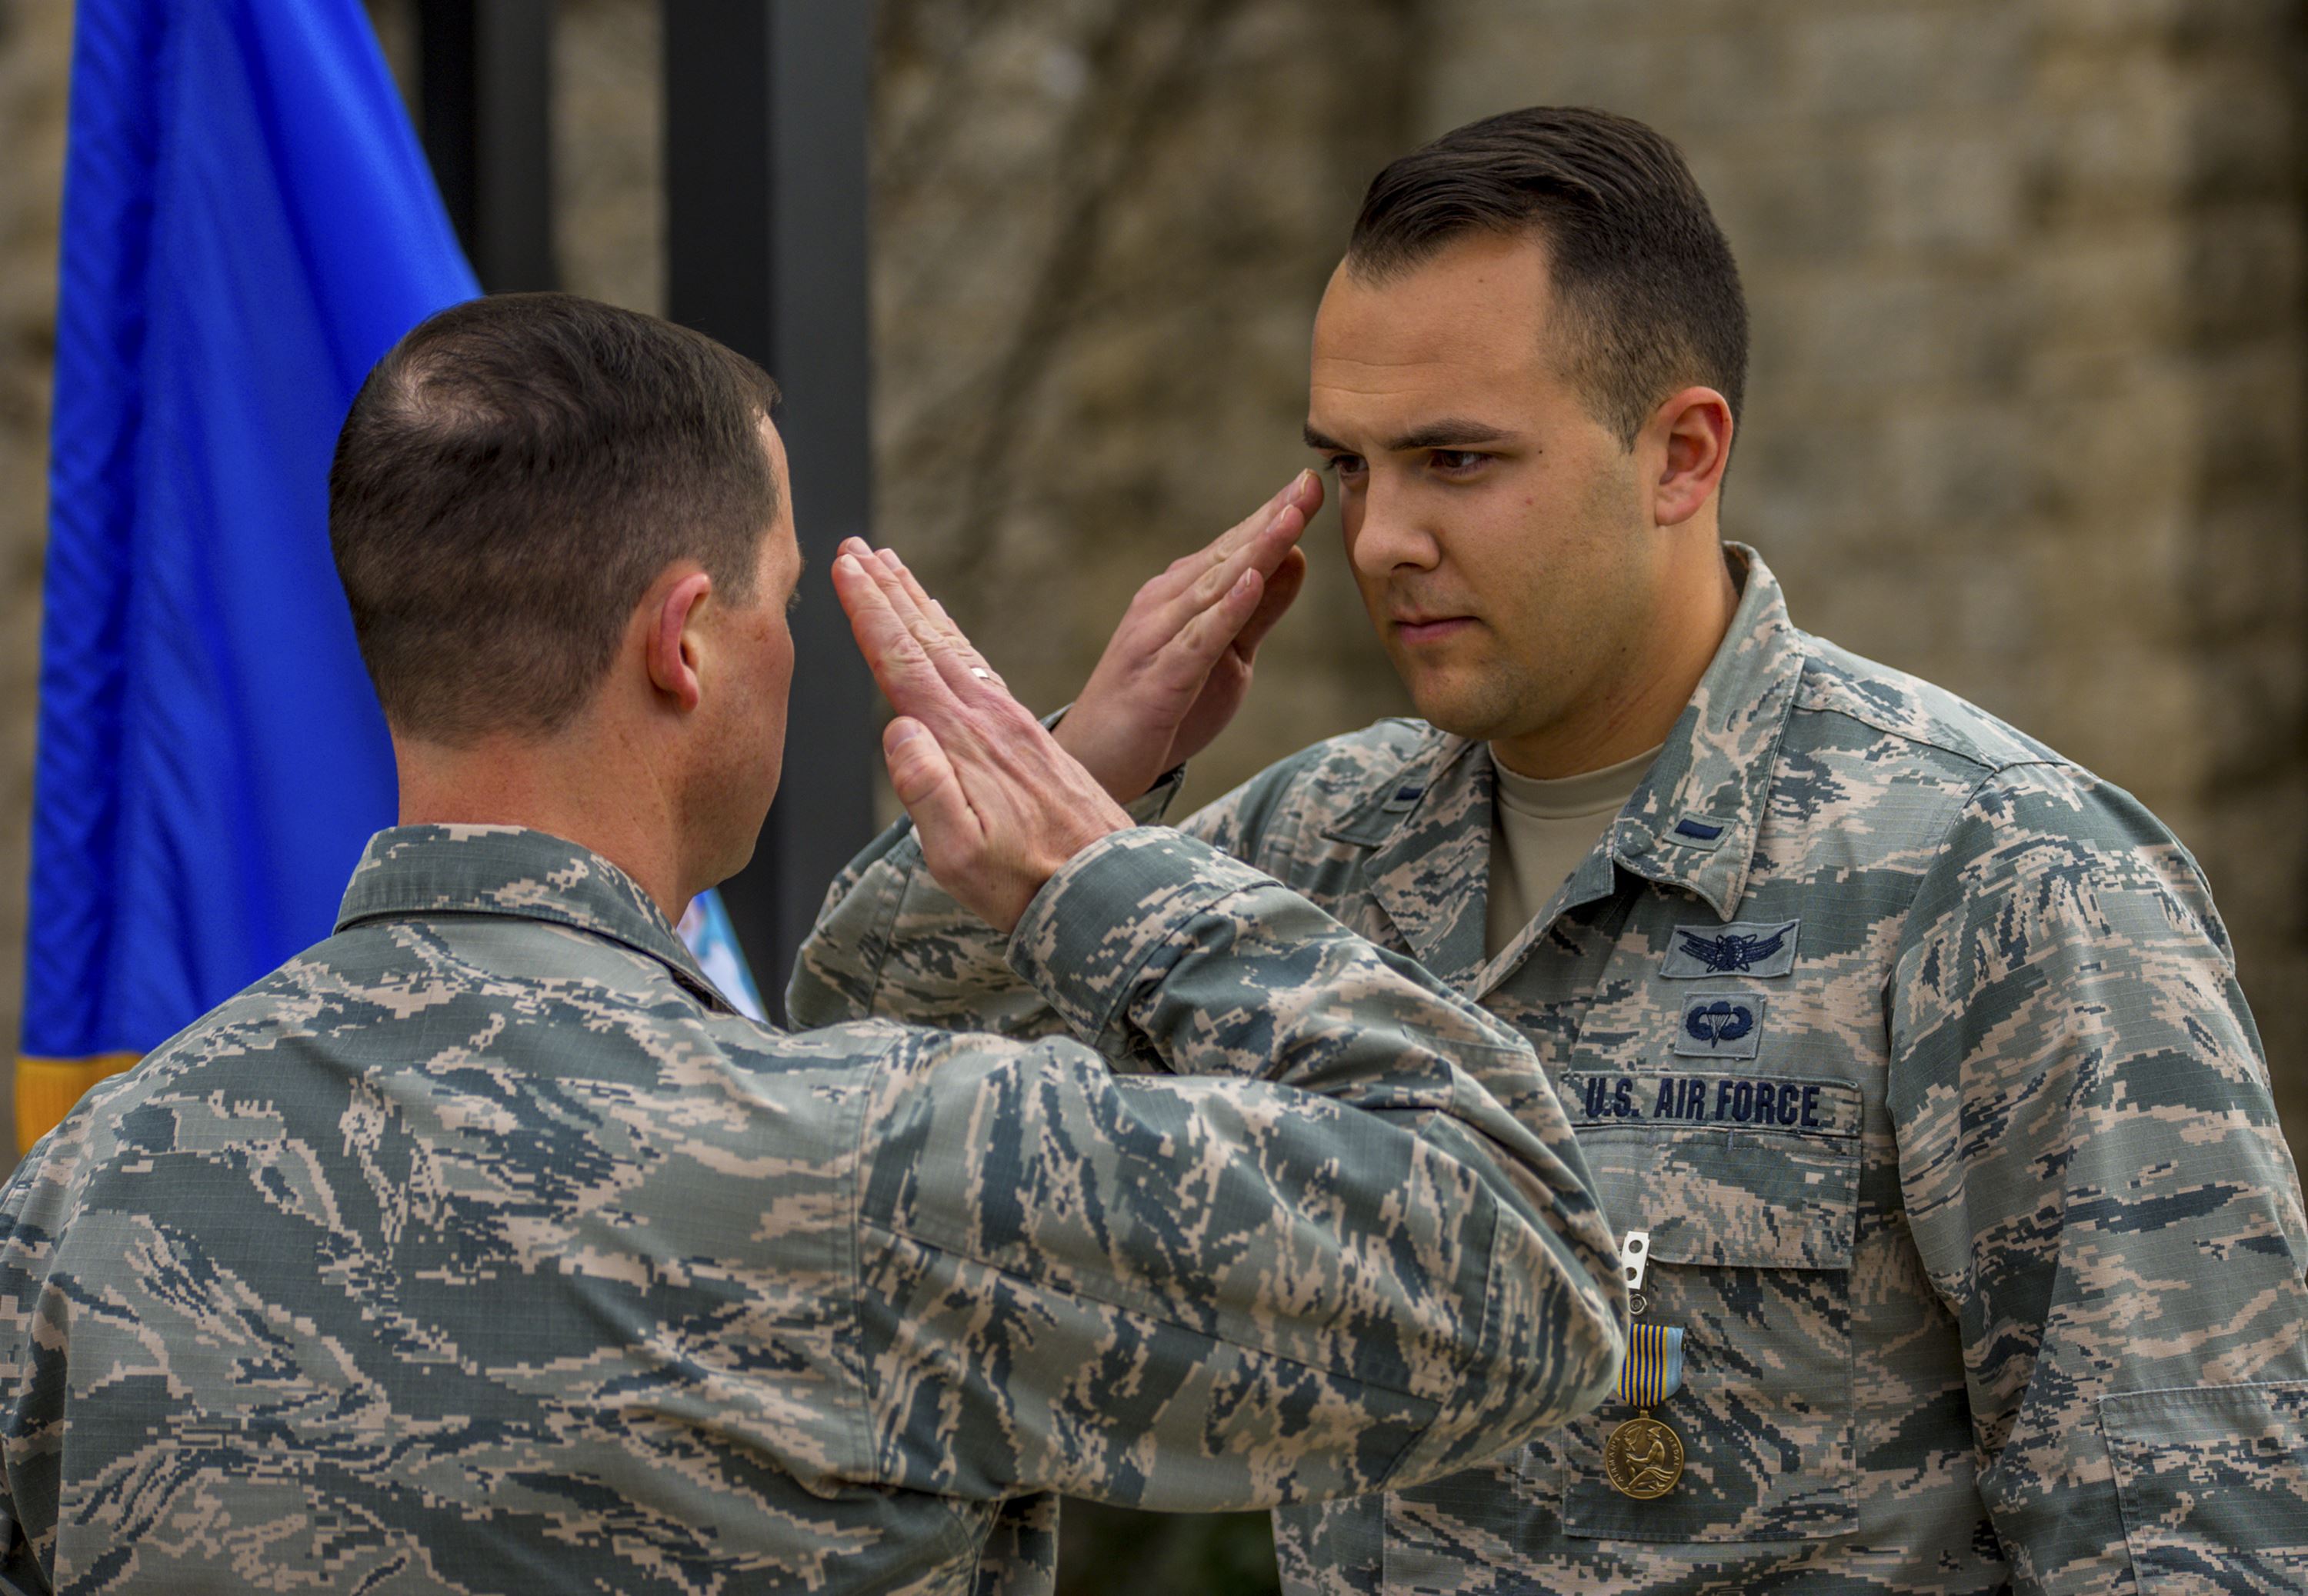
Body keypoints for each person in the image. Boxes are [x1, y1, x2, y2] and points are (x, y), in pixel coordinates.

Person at [792, 108, 2308, 1594]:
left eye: (1456, 461)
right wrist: (1089, 776)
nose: (1381, 537)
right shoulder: (1314, 851)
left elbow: (2185, 1537)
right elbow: (843, 1098)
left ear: (1681, 457)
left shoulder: (2004, 878)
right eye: (1350, 467)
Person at [0, 294, 1629, 1594]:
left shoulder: (78, 1197)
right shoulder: (870, 1166)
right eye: (777, 601)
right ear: (684, 642)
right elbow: (1526, 1270)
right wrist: (1103, 875)